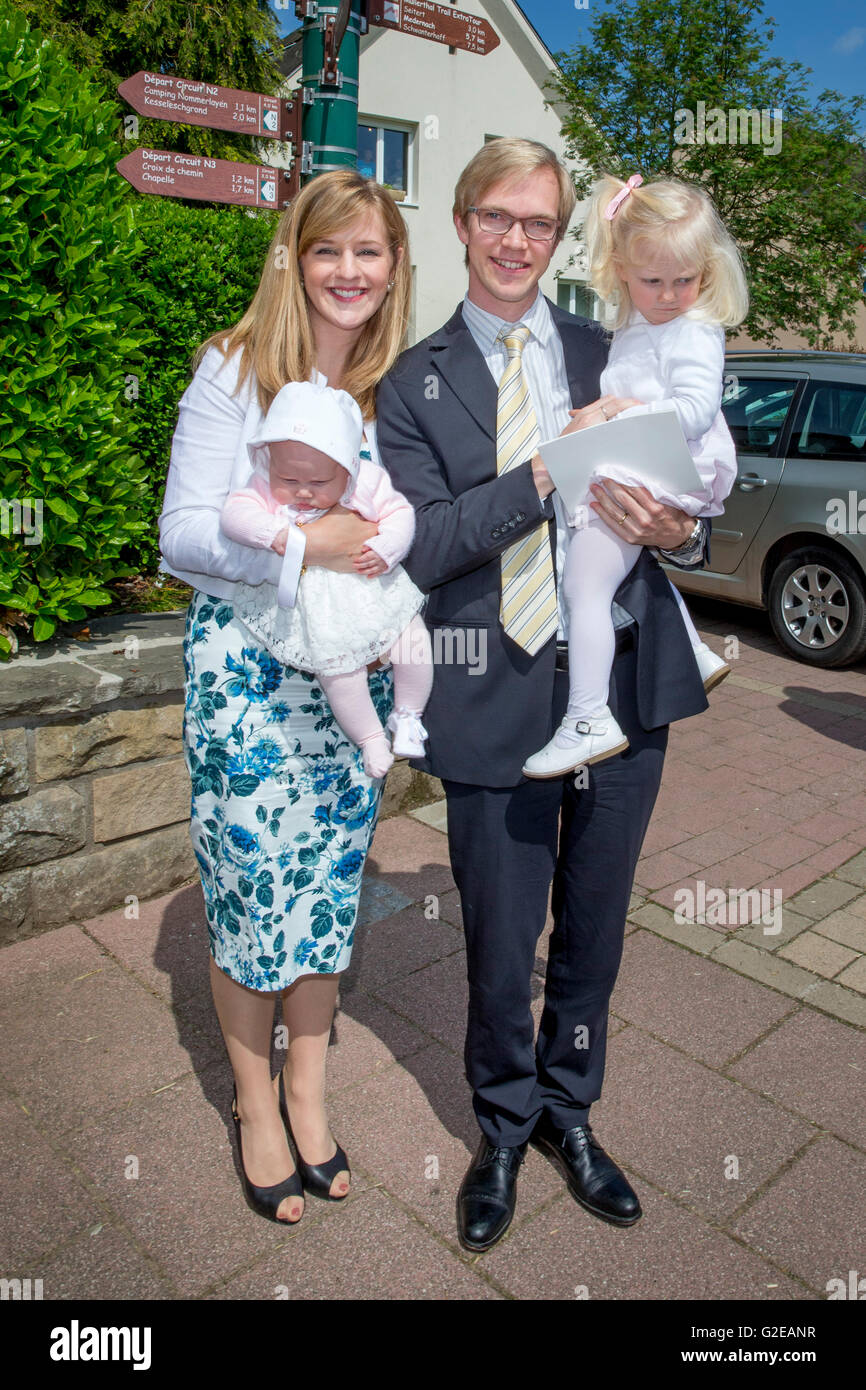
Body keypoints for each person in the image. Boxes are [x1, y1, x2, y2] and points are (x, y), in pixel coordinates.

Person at [376, 138, 710, 1252]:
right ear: (462, 223)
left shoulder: (604, 341)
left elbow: (682, 473)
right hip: (490, 695)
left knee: (594, 934)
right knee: (500, 933)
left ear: (558, 232)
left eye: (537, 222)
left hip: (619, 680)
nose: (517, 241)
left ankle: (570, 1117)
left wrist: (682, 525)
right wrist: (545, 471)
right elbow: (424, 547)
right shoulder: (412, 381)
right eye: (496, 218)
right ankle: (502, 1128)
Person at [159, 169, 411, 1224]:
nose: (348, 271)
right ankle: (254, 1105)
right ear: (293, 256)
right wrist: (307, 544)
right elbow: (180, 534)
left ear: (393, 266)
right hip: (250, 674)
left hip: (348, 670)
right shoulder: (235, 364)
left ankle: (308, 1088)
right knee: (254, 889)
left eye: (369, 251)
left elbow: (399, 522)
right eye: (328, 249)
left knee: (325, 888)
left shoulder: (390, 382)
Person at [523, 171, 748, 777]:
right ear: (620, 268)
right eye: (654, 281)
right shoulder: (632, 328)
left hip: (665, 461)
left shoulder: (695, 330)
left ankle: (589, 718)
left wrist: (621, 410)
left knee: (584, 587)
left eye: (686, 280)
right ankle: (694, 651)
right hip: (643, 459)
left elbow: (698, 410)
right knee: (617, 564)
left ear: (707, 272)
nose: (671, 294)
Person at [221, 380, 433, 779]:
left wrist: (388, 548)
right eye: (289, 480)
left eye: (318, 484)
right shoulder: (264, 483)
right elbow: (234, 514)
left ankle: (408, 715)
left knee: (415, 641)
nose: (302, 492)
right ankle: (370, 738)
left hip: (374, 589)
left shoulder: (367, 481)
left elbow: (400, 514)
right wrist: (277, 535)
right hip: (322, 607)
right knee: (338, 669)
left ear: (348, 467)